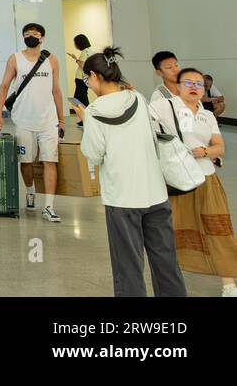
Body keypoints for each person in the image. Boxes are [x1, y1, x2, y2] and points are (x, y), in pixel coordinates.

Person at [74, 49, 188, 297]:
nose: (89, 85)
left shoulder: (94, 111)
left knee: (128, 266)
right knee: (166, 261)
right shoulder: (137, 97)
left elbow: (93, 154)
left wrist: (85, 122)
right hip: (155, 193)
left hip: (123, 198)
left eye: (87, 80)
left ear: (94, 76)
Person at [153, 67, 236, 296]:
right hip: (177, 182)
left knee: (219, 229)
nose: (194, 87)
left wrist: (204, 152)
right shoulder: (165, 106)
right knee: (174, 231)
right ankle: (173, 282)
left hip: (206, 178)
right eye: (188, 83)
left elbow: (220, 147)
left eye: (199, 84)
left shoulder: (207, 114)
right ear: (177, 86)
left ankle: (229, 285)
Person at [0, 23, 64, 222]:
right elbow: (4, 86)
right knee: (26, 162)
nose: (30, 36)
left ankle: (49, 206)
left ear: (42, 38)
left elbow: (56, 90)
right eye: (27, 34)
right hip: (23, 120)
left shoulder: (52, 60)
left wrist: (61, 119)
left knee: (51, 161)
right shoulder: (15, 59)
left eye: (34, 34)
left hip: (48, 121)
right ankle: (30, 190)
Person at [70, 34, 92, 120]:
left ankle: (87, 119)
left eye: (75, 43)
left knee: (79, 100)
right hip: (85, 78)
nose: (75, 45)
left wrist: (76, 59)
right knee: (79, 99)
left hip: (80, 78)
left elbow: (83, 65)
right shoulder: (90, 51)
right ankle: (84, 119)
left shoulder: (84, 52)